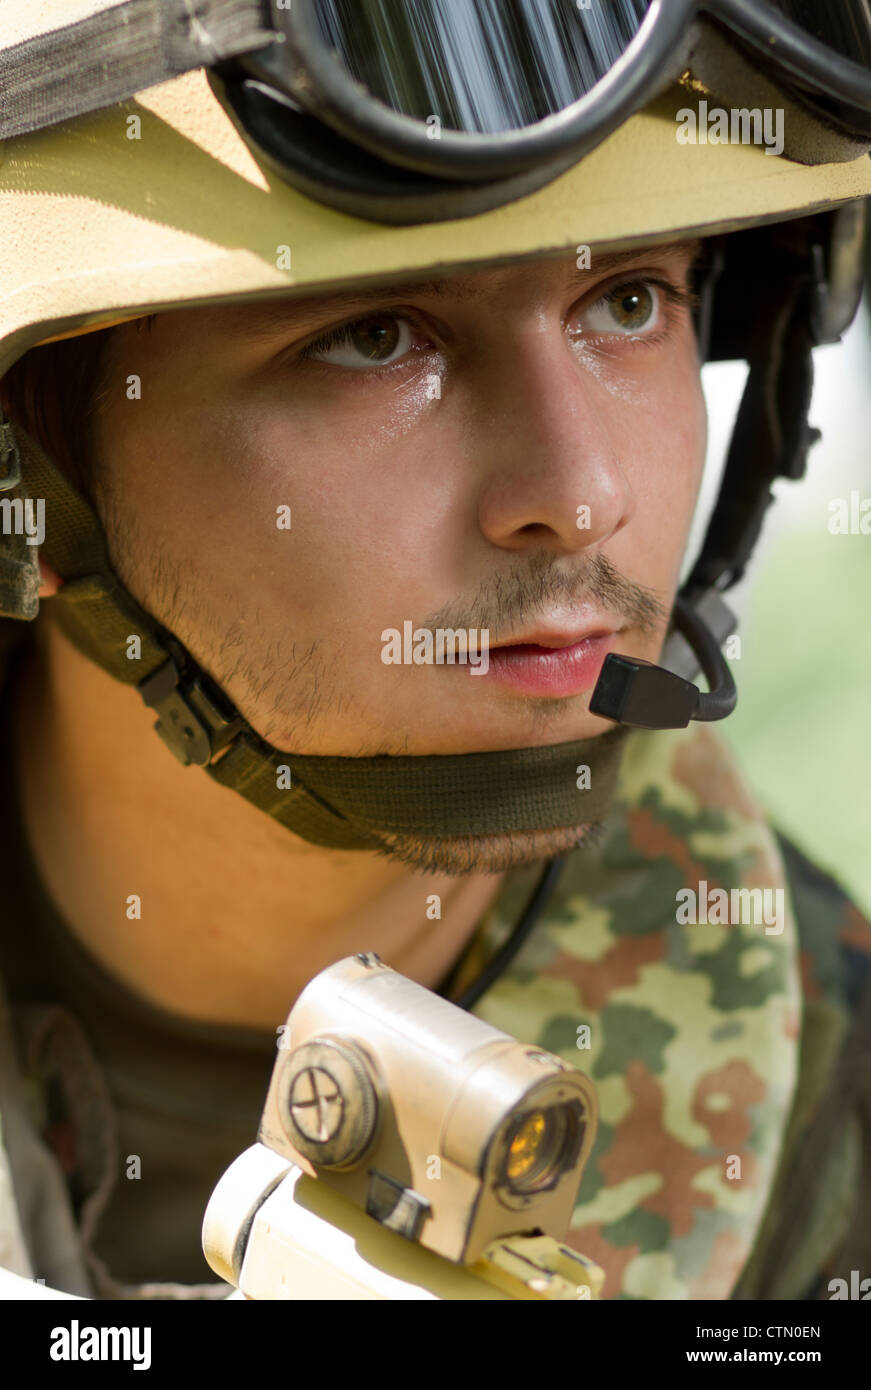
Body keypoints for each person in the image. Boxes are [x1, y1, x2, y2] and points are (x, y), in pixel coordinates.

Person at [0, 0, 870, 1302]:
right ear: (33, 459)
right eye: (377, 336)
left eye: (627, 300)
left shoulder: (827, 1158)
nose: (576, 497)